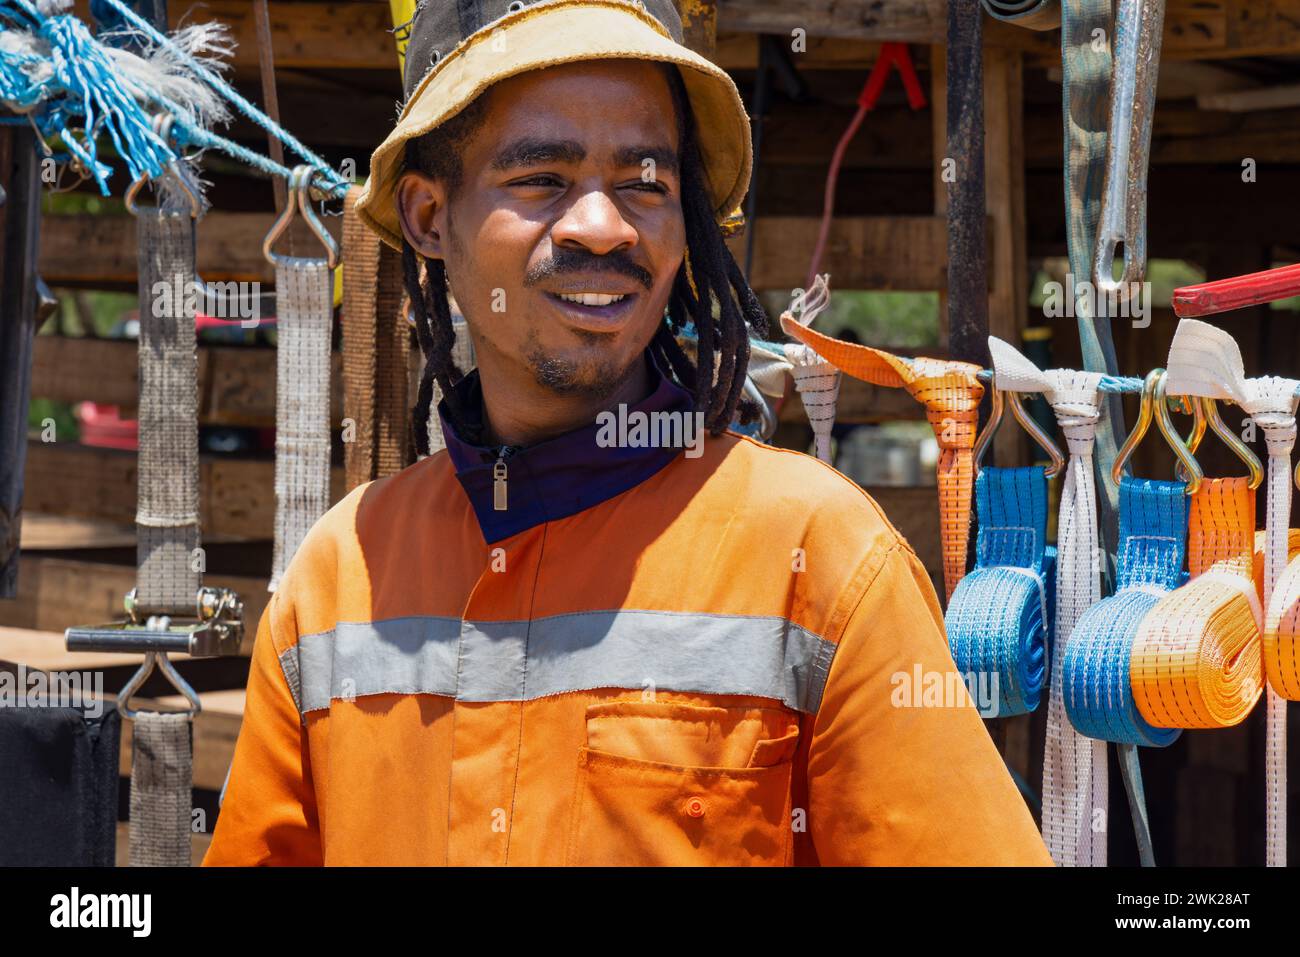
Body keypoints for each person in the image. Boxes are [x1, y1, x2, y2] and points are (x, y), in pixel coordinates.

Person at [203, 0, 1053, 866]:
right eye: (541, 180)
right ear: (428, 217)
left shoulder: (819, 556)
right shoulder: (338, 579)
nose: (602, 228)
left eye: (646, 183)